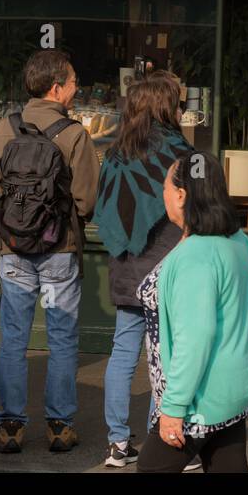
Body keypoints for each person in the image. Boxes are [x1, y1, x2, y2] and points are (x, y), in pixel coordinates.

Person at [0, 50, 99, 455]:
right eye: (73, 81)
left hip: (12, 248)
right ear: (56, 87)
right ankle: (60, 426)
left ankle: (9, 426)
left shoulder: (2, 128)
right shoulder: (75, 134)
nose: (76, 87)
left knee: (13, 337)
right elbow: (85, 202)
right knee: (62, 337)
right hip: (60, 249)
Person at [136, 152, 248, 473]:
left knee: (152, 467)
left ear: (181, 196)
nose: (163, 193)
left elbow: (195, 337)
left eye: (166, 187)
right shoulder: (236, 240)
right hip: (235, 385)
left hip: (200, 398)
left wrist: (173, 408)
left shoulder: (196, 255)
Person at [93, 71, 193, 468]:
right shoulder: (179, 152)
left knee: (123, 352)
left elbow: (103, 208)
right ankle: (161, 440)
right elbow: (193, 209)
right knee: (164, 355)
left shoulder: (116, 152)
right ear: (165, 106)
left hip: (127, 265)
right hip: (168, 267)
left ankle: (118, 444)